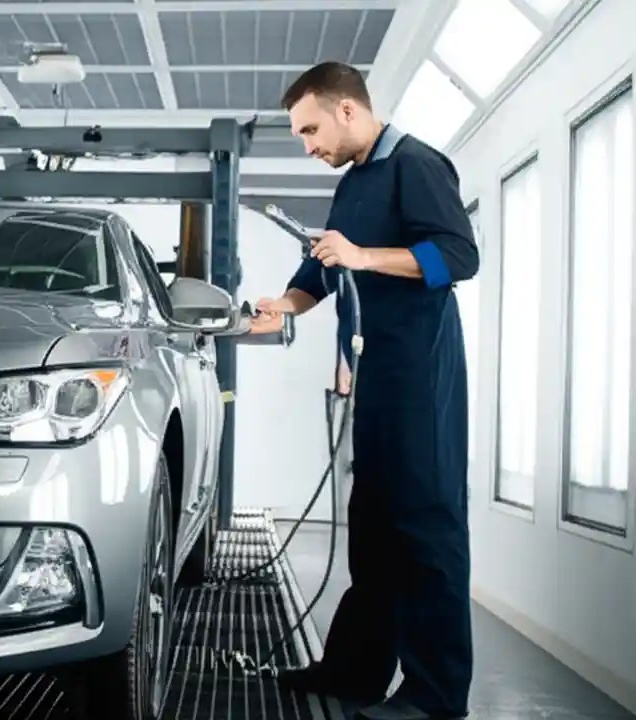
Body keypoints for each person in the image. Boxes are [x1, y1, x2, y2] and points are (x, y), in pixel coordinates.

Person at [255, 62, 479, 720]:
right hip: (376, 378)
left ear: (347, 109)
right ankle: (355, 671)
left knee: (424, 527)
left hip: (421, 376)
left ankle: (436, 696)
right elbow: (321, 267)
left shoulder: (416, 164)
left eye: (310, 129)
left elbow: (458, 255)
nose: (307, 145)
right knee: (373, 528)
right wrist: (284, 307)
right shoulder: (354, 184)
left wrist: (364, 256)